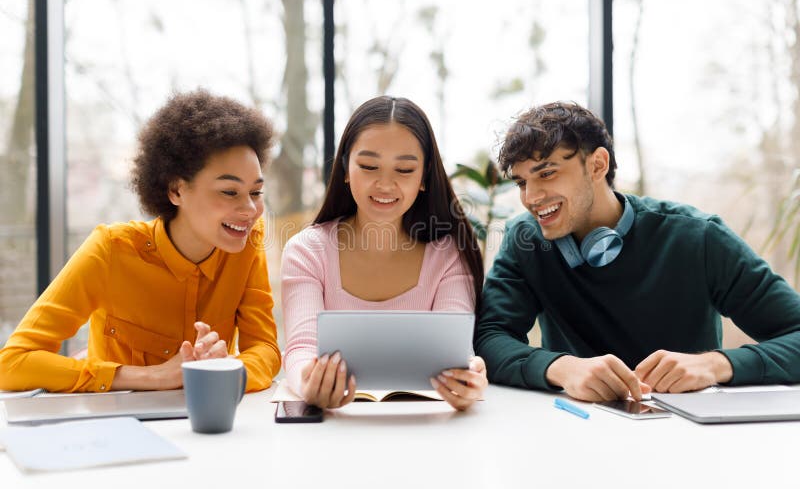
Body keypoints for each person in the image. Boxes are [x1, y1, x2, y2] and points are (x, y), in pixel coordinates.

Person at [475, 101, 800, 402]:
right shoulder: (526, 240)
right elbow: (490, 338)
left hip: (684, 431)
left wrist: (715, 365)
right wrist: (561, 368)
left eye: (547, 174)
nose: (531, 197)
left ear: (597, 165)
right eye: (521, 183)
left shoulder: (697, 237)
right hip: (576, 427)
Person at [0, 89, 281, 393]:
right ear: (176, 190)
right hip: (117, 429)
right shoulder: (110, 250)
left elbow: (265, 349)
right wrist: (151, 376)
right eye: (229, 192)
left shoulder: (248, 245)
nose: (250, 210)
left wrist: (227, 368)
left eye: (256, 193)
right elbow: (12, 363)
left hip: (208, 426)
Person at [281, 96, 487, 411]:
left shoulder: (448, 255)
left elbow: (457, 354)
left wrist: (468, 381)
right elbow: (300, 349)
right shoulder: (306, 251)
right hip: (333, 430)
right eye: (368, 166)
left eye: (404, 169)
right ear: (346, 169)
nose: (385, 184)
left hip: (425, 430)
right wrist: (308, 382)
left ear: (424, 178)